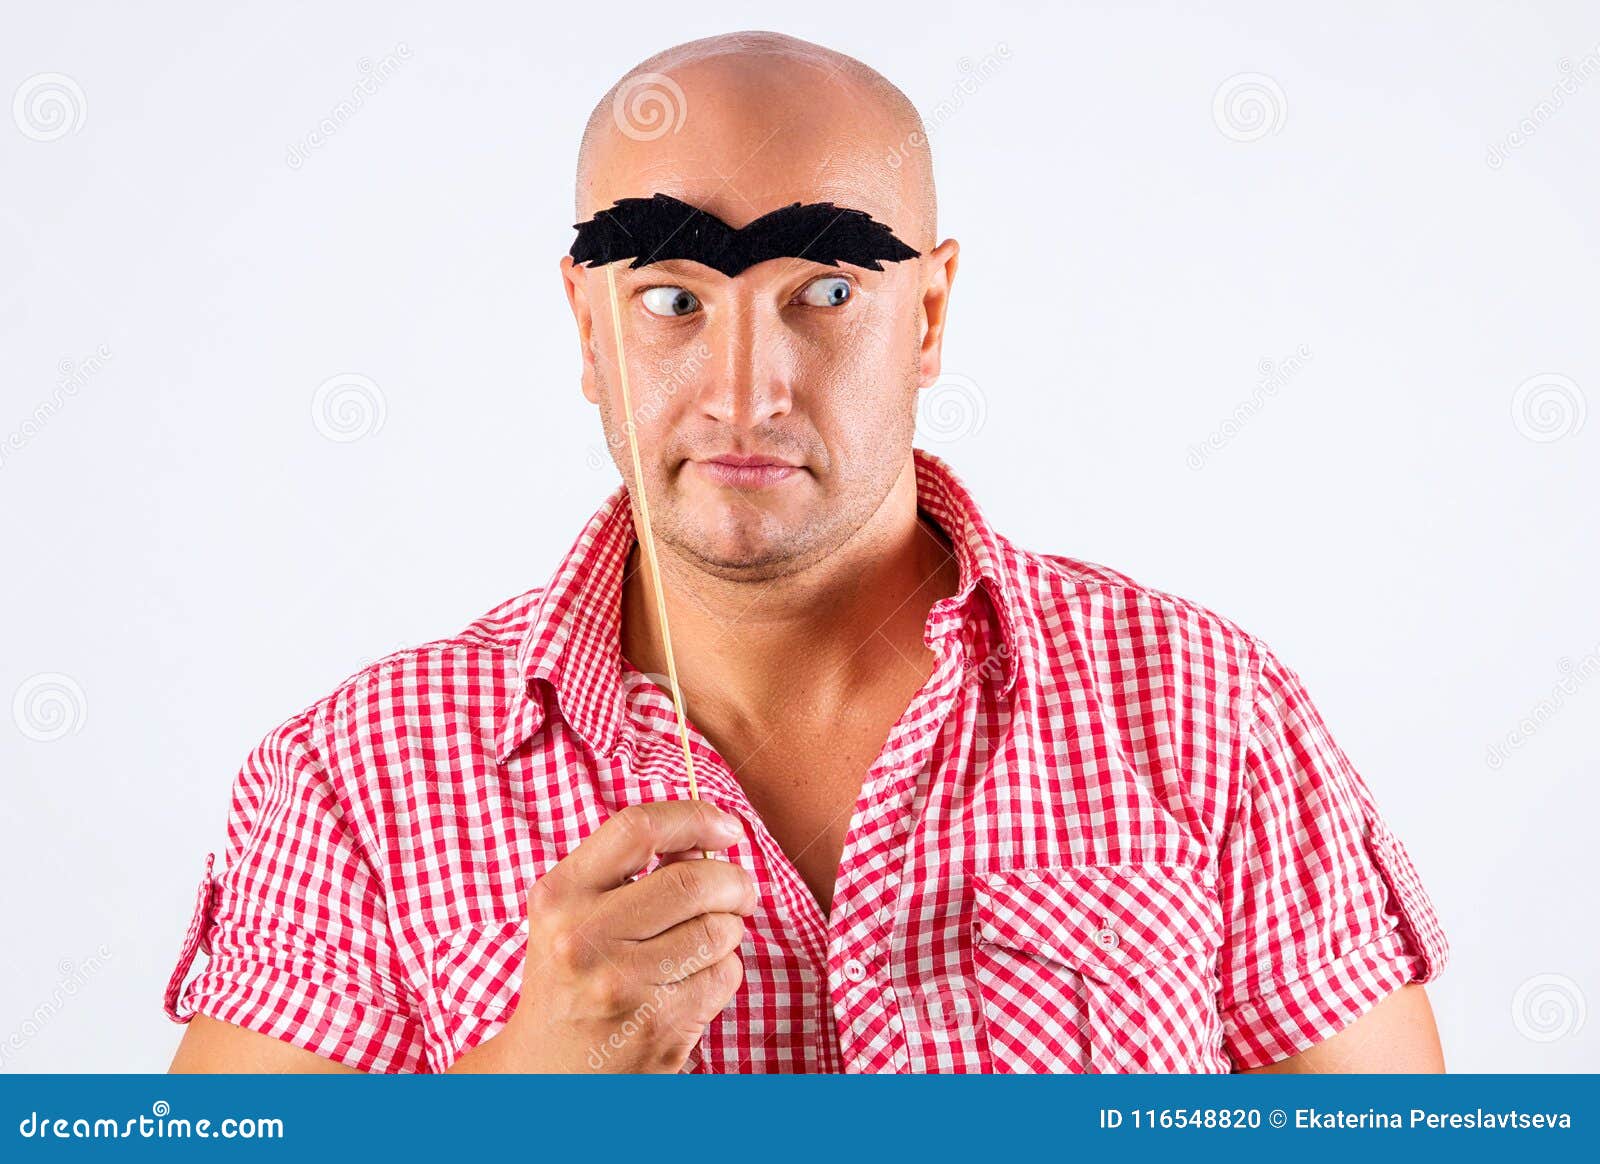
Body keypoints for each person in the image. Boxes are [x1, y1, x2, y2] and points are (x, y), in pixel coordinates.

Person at [166, 31, 1448, 1074]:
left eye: (825, 292)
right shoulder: (356, 779)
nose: (744, 388)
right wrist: (528, 1090)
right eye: (671, 297)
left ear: (928, 313)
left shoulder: (1204, 711)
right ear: (588, 327)